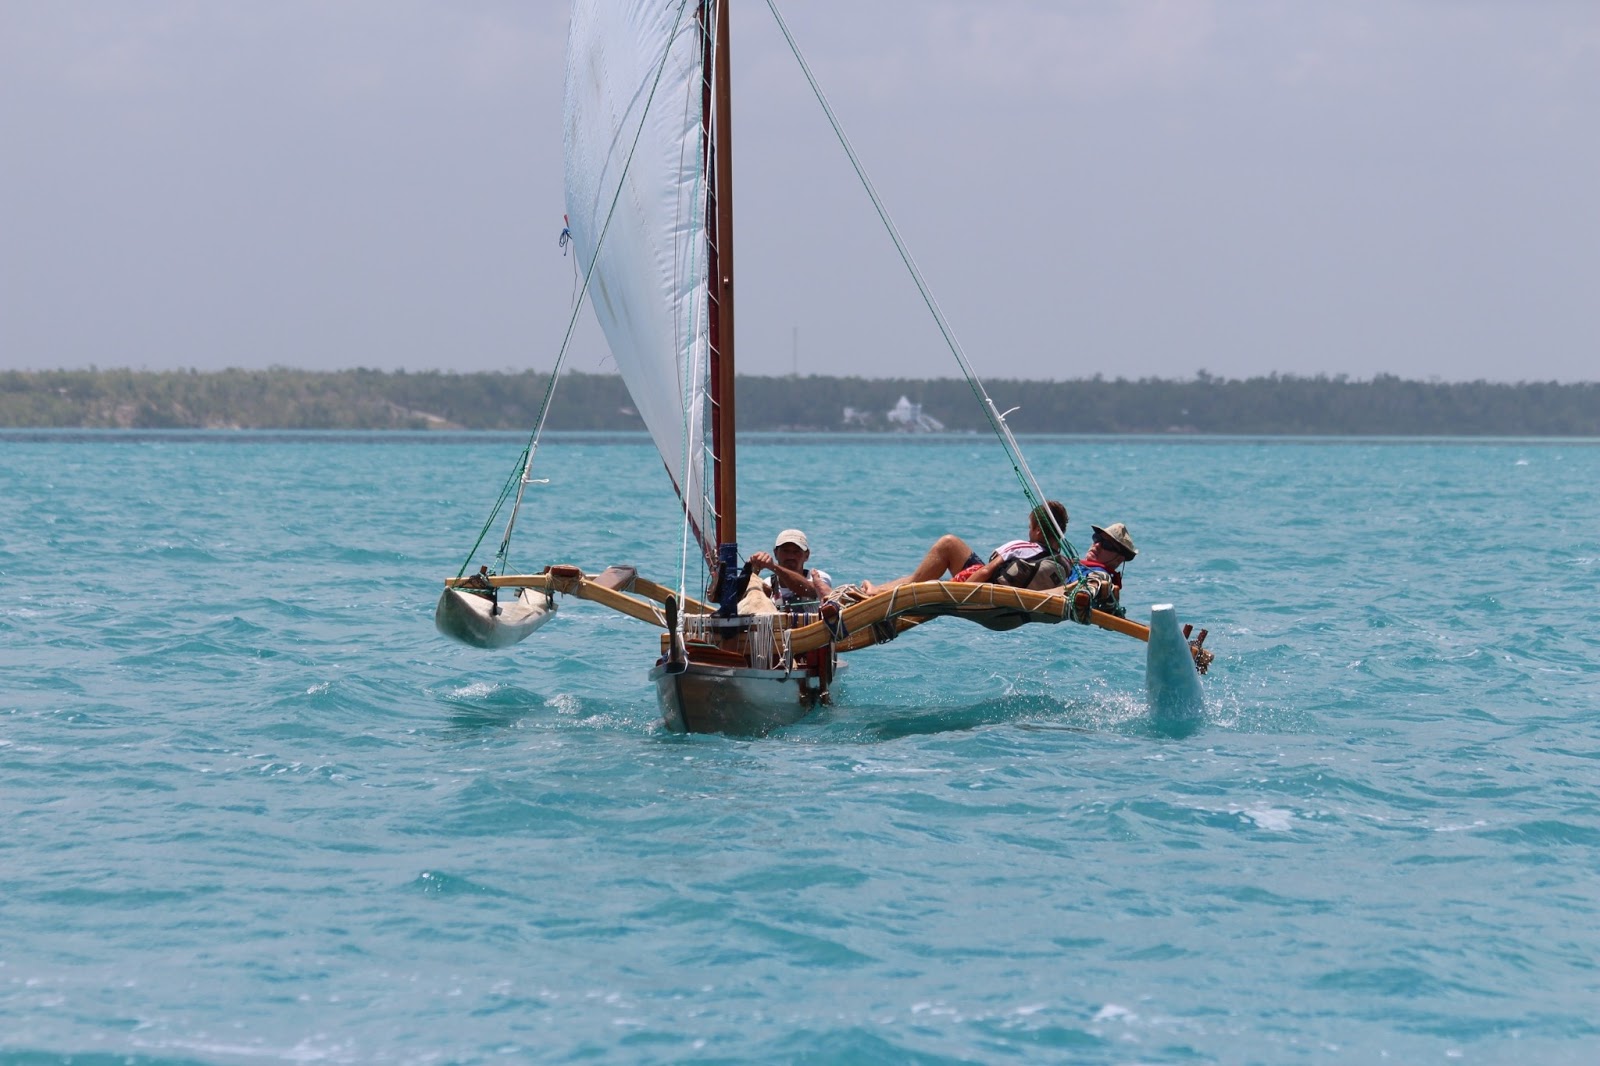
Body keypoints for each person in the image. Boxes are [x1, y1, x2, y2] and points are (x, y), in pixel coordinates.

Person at [862, 500, 1069, 594]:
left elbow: (987, 570)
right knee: (930, 578)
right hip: (1010, 600)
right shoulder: (1062, 563)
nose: (1028, 532)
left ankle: (877, 591)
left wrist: (958, 593)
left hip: (982, 587)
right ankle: (881, 589)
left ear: (1038, 532)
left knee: (948, 543)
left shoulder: (1022, 547)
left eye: (1030, 528)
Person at [748, 529, 832, 612]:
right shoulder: (768, 585)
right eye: (785, 551)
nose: (790, 556)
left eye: (796, 552)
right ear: (775, 553)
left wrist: (773, 566)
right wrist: (752, 571)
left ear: (806, 555)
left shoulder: (818, 578)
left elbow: (805, 589)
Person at [1067, 522, 1137, 613]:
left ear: (1118, 560)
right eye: (1097, 538)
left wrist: (1084, 594)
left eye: (1106, 545)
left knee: (1100, 579)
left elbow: (1097, 579)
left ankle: (1086, 594)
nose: (1097, 545)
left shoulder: (1101, 574)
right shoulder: (1074, 564)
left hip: (1073, 595)